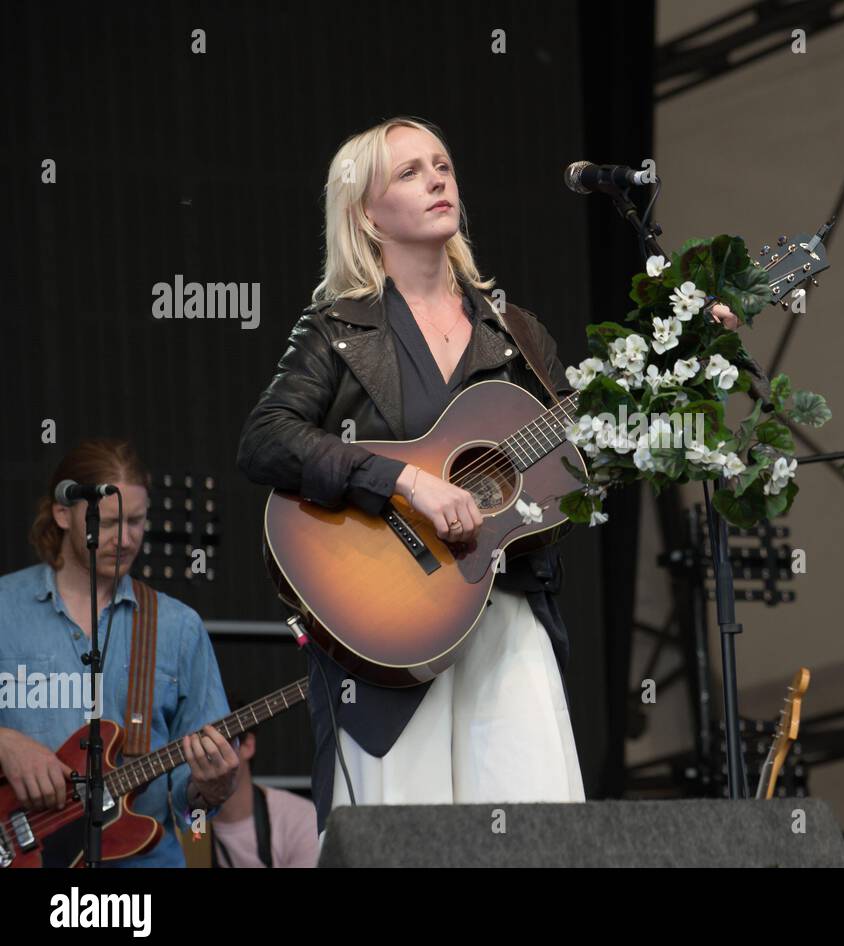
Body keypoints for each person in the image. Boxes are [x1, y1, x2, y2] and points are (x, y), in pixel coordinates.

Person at [236, 116, 738, 835]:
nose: (438, 178)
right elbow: (265, 441)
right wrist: (405, 482)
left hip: (506, 615)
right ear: (365, 213)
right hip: (390, 627)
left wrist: (678, 365)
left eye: (442, 164)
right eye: (409, 171)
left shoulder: (516, 334)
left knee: (538, 835)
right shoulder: (336, 329)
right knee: (403, 844)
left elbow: (588, 452)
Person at [0, 438, 239, 867]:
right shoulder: (3, 608)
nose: (125, 539)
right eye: (109, 523)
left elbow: (195, 819)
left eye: (136, 521)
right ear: (62, 514)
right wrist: (3, 741)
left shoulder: (177, 627)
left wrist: (211, 791)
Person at [209, 721, 319, 868]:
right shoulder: (185, 824)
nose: (198, 757)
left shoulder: (303, 820)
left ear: (247, 745)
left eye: (213, 743)